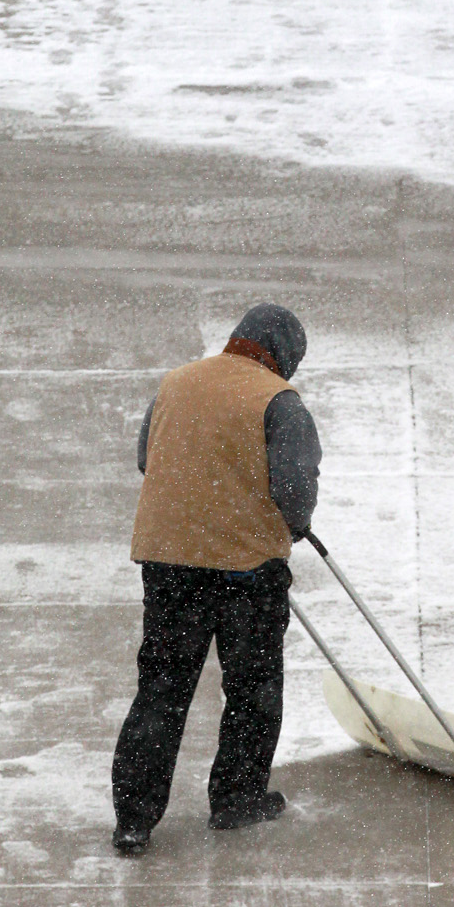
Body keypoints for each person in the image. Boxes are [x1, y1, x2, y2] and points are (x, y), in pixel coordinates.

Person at [111, 303, 321, 853]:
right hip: (246, 571)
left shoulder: (177, 383)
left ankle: (134, 818)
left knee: (161, 690)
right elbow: (295, 486)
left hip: (170, 563)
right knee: (252, 689)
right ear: (283, 355)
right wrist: (295, 525)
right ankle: (237, 799)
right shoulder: (279, 402)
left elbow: (145, 458)